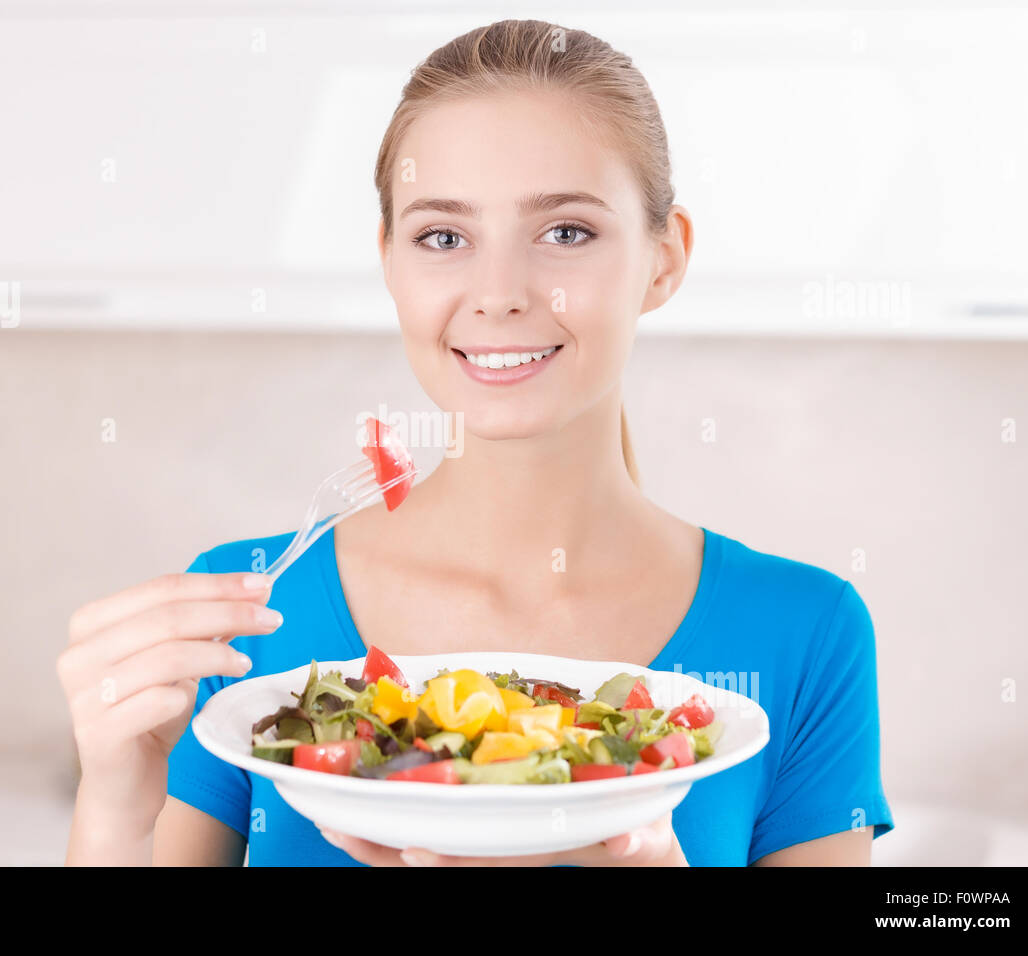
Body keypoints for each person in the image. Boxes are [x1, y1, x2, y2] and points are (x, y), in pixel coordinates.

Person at [59, 18, 893, 867]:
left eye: (566, 232)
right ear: (390, 261)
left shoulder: (804, 632)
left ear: (663, 259)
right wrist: (114, 810)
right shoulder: (245, 620)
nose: (498, 295)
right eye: (443, 238)